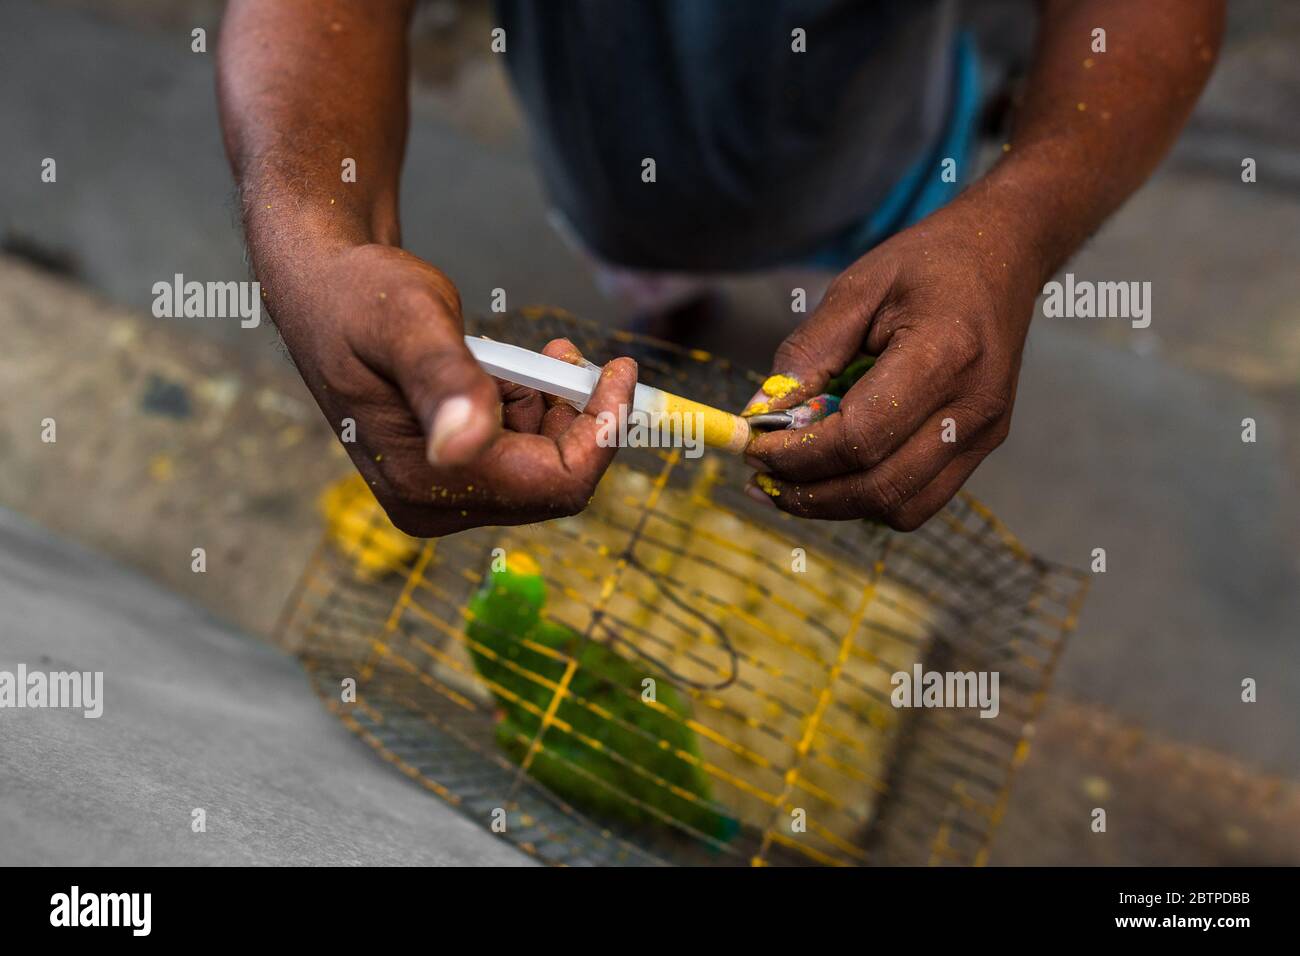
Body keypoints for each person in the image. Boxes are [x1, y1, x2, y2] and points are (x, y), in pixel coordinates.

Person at [217, 0, 1222, 536]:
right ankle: (679, 303)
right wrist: (310, 235)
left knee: (881, 332)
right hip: (618, 192)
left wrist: (1012, 232)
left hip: (896, 176)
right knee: (654, 287)